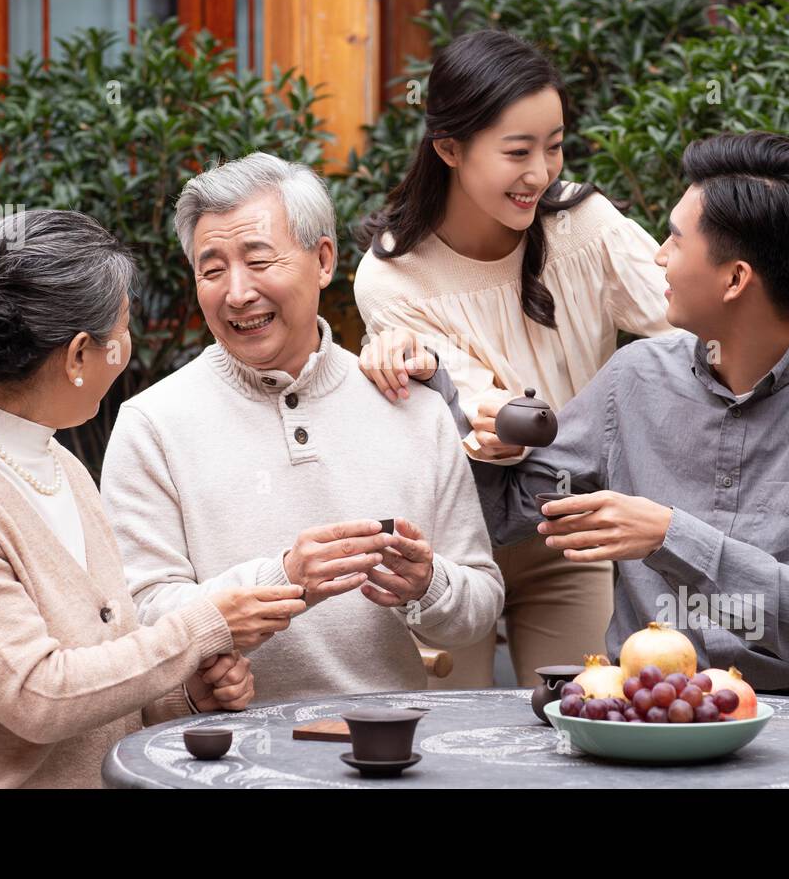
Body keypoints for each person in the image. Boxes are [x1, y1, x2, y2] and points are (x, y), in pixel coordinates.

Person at [353, 29, 789, 687]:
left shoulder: (583, 225)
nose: (542, 173)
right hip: (458, 529)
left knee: (588, 703)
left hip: (566, 519)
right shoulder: (392, 277)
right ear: (449, 148)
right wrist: (428, 380)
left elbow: (719, 299)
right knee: (457, 737)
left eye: (554, 147)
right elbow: (481, 421)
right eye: (517, 151)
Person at [418, 131, 789, 696]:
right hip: (645, 720)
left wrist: (670, 536)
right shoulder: (636, 379)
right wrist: (434, 388)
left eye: (676, 241)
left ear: (735, 279)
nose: (658, 255)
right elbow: (505, 513)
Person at [0, 210, 305, 788]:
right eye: (120, 333)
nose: (126, 349)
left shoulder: (61, 467)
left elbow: (103, 680)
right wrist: (206, 625)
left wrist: (185, 695)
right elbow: (38, 695)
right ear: (77, 356)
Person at [101, 153, 504, 703]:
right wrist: (283, 578)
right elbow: (139, 614)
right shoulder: (152, 423)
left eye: (259, 260)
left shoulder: (412, 406)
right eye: (212, 269)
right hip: (224, 755)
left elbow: (480, 604)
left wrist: (427, 585)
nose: (237, 292)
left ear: (323, 260)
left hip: (387, 749)